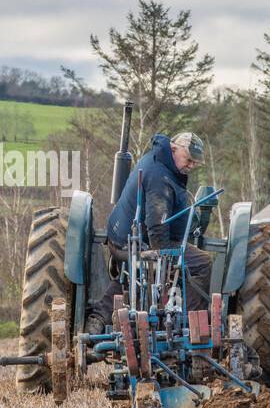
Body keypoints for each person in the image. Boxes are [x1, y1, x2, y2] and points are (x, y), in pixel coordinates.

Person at [87, 131, 211, 331]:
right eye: (189, 159)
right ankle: (193, 326)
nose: (191, 165)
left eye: (195, 163)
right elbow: (157, 229)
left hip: (123, 238)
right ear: (173, 149)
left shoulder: (158, 161)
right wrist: (164, 257)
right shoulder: (160, 178)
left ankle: (100, 317)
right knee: (201, 263)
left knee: (133, 272)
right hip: (140, 241)